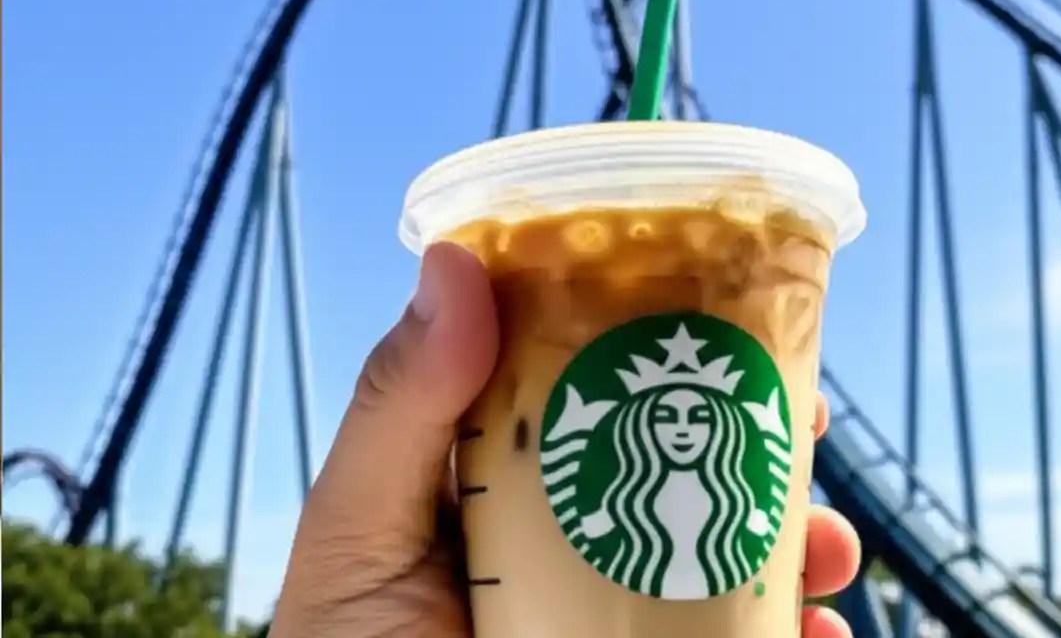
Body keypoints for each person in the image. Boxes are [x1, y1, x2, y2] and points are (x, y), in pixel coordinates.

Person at [270, 243, 864, 637]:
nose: (683, 429)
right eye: (665, 416)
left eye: (700, 417)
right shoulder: (618, 515)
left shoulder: (728, 515)